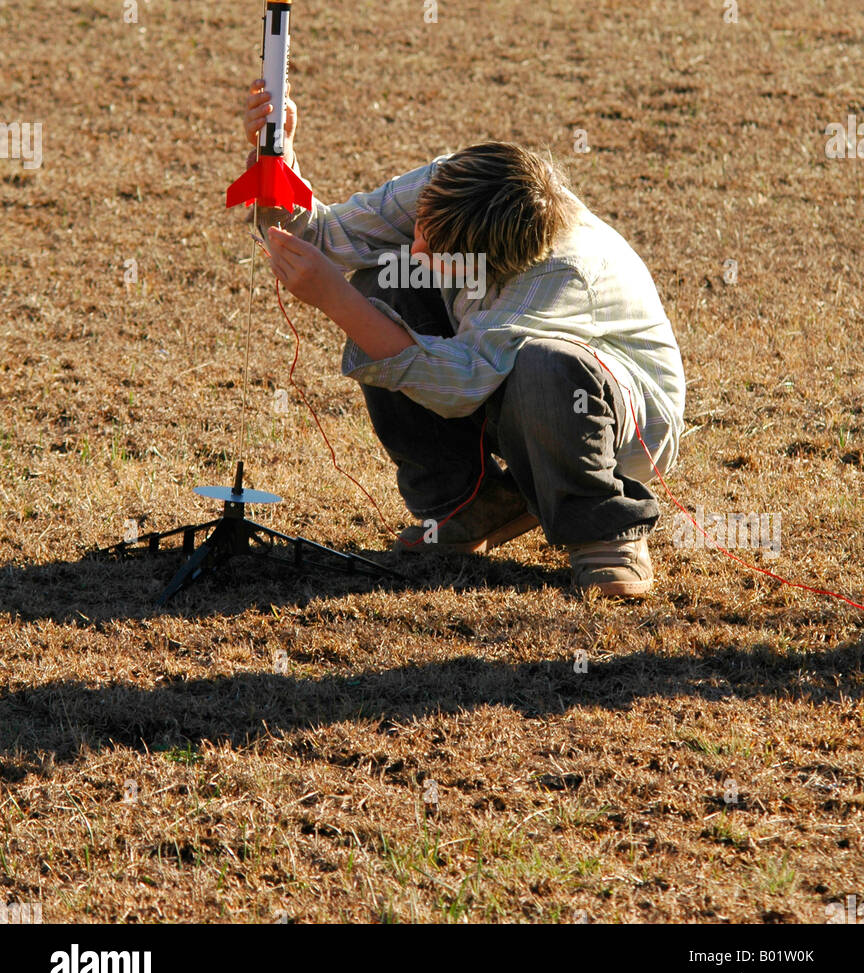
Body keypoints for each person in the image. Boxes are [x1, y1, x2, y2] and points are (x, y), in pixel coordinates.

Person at [243, 80, 686, 599]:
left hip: (612, 418)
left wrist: (337, 301)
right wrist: (277, 152)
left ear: (489, 265)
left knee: (542, 365)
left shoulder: (560, 273)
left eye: (436, 247)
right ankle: (468, 503)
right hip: (501, 373)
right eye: (421, 224)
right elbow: (323, 235)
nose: (416, 243)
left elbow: (461, 383)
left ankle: (605, 532)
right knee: (388, 278)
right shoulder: (452, 185)